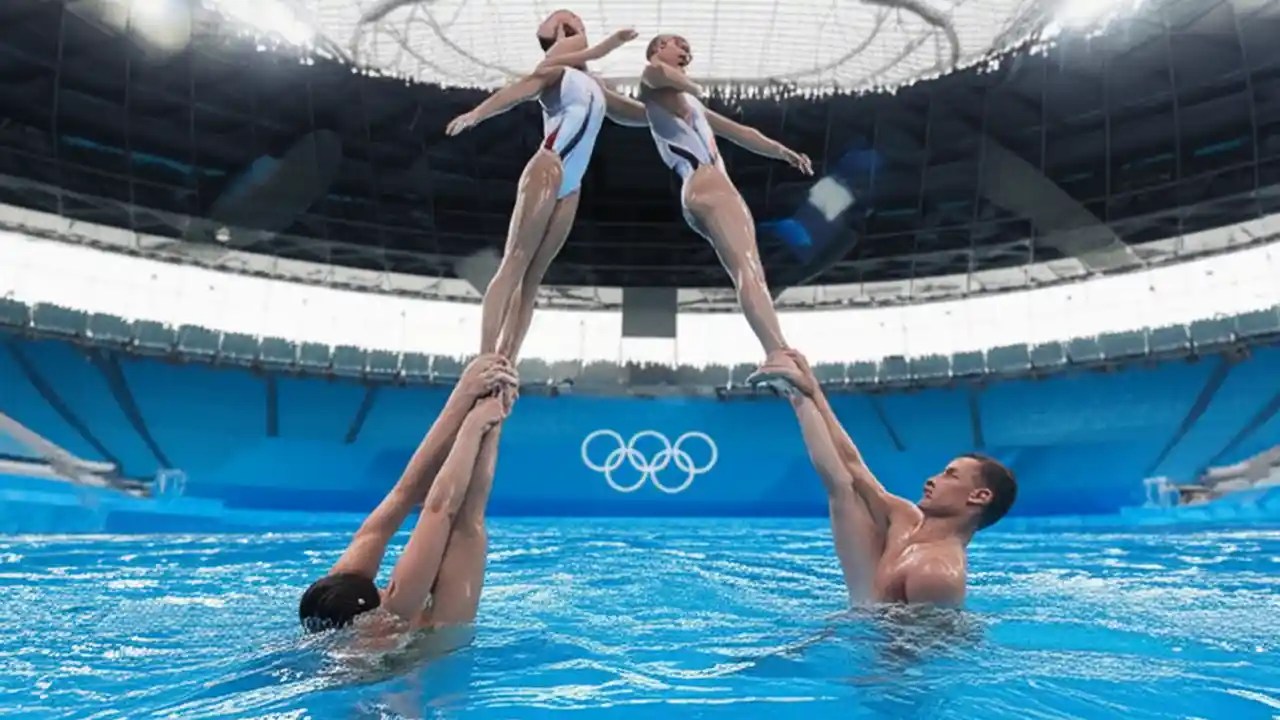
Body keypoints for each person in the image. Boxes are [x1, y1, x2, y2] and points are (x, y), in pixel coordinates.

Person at [445, 11, 646, 363]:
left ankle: (507, 360)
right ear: (561, 35)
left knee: (533, 277)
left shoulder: (596, 86)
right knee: (516, 261)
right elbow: (517, 91)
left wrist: (676, 115)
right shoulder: (555, 72)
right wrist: (476, 113)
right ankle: (484, 358)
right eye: (569, 25)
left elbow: (634, 112)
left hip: (572, 185)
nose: (577, 27)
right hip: (549, 167)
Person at [772, 350, 1017, 606]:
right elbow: (853, 466)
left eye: (950, 476)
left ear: (979, 496)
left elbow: (914, 646)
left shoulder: (936, 572)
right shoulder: (905, 517)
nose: (932, 480)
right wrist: (813, 391)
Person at [639, 34, 814, 383]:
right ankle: (776, 351)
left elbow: (741, 132)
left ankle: (778, 348)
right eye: (678, 45)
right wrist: (690, 83)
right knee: (749, 270)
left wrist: (783, 152)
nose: (687, 51)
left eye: (689, 47)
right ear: (658, 49)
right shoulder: (653, 79)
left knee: (745, 271)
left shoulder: (686, 101)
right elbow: (660, 74)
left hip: (699, 189)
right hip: (708, 182)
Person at [298, 354, 516, 632]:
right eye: (383, 592)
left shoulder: (336, 591)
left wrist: (465, 392)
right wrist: (477, 426)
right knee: (466, 532)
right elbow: (440, 509)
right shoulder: (389, 615)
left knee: (469, 522)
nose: (386, 588)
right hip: (421, 658)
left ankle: (495, 412)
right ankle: (496, 418)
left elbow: (404, 493)